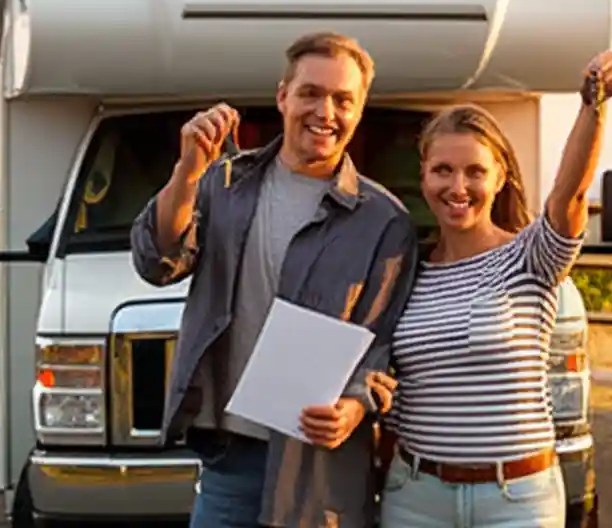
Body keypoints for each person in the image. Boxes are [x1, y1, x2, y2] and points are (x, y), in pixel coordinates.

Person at [130, 32, 417, 528]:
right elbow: (157, 261)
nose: (325, 112)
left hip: (321, 471)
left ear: (359, 110)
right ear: (283, 96)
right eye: (310, 93)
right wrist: (187, 172)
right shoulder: (223, 183)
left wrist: (354, 406)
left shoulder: (384, 222)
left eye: (343, 100)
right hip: (230, 462)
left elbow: (384, 347)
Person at [379, 50, 612, 527]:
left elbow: (571, 193)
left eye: (475, 171)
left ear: (500, 178)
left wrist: (593, 105)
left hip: (516, 501)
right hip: (415, 496)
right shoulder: (405, 271)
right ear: (424, 176)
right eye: (443, 170)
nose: (458, 187)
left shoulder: (532, 257)